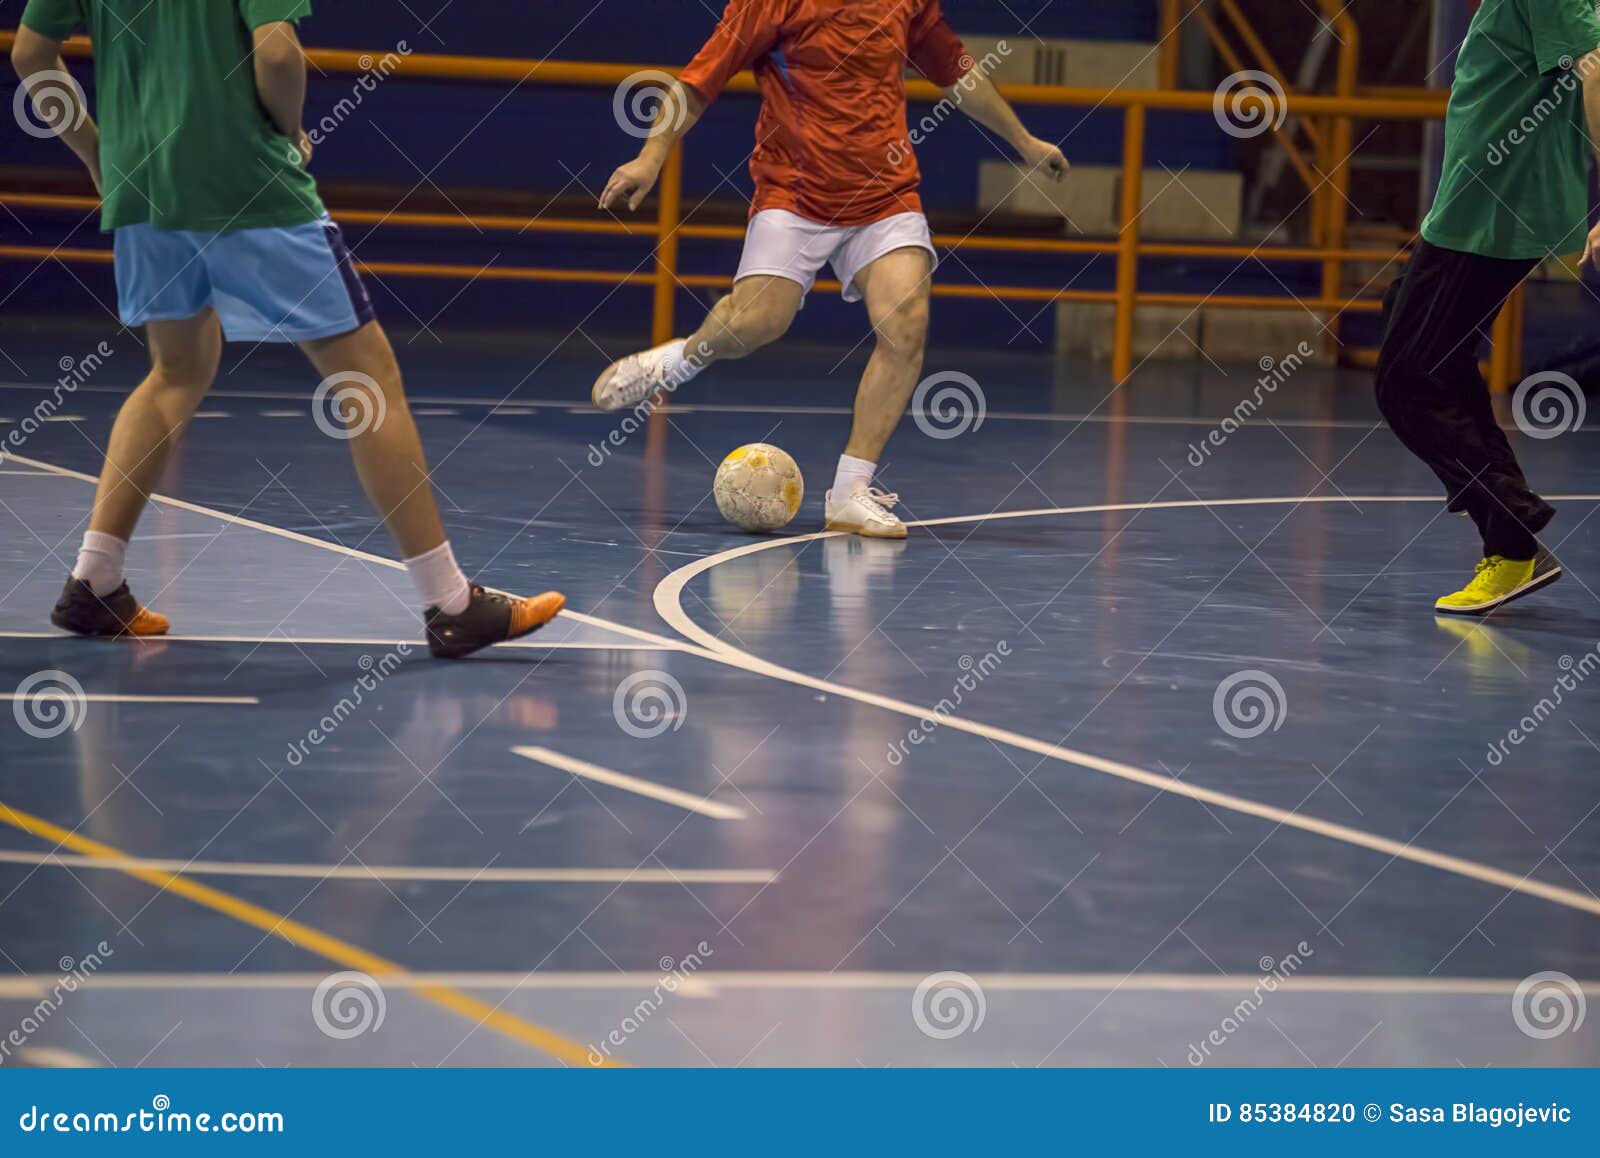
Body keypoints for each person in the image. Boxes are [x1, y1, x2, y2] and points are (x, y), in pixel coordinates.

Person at [11, 0, 563, 658]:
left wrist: (98, 153)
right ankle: (451, 604)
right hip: (245, 177)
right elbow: (276, 51)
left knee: (175, 372)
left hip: (143, 187)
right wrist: (291, 130)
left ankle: (95, 580)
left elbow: (30, 54)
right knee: (367, 379)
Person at [593, 0, 1067, 538]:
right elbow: (698, 83)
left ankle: (850, 491)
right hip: (795, 193)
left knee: (906, 322)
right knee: (756, 323)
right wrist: (651, 156)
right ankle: (679, 361)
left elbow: (956, 71)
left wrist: (1024, 142)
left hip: (885, 195)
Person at [1374, 0, 1600, 615]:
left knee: (1406, 381)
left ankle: (1512, 539)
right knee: (1429, 355)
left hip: (1493, 211)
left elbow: (1594, 65)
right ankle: (1510, 532)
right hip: (1473, 206)